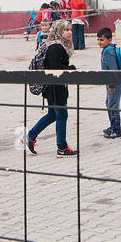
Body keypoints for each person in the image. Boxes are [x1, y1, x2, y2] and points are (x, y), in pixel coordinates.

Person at [25, 20, 78, 157]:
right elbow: (55, 68)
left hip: (52, 86)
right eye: (66, 29)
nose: (69, 32)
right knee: (61, 115)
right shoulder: (56, 47)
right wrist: (70, 69)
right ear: (58, 31)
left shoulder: (57, 45)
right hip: (55, 86)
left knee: (53, 114)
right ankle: (62, 147)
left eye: (70, 29)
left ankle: (31, 136)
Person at [97, 27, 121, 138]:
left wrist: (111, 85)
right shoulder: (107, 49)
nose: (99, 42)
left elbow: (113, 69)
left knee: (113, 105)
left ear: (109, 40)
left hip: (113, 83)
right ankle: (112, 126)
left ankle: (116, 130)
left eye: (102, 40)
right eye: (98, 40)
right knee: (109, 103)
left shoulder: (108, 51)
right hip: (110, 82)